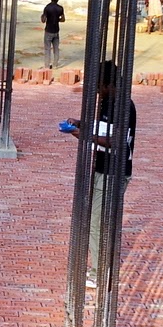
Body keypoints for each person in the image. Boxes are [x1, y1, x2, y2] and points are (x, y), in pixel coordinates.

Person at [59, 61, 137, 285]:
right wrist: (81, 124)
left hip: (114, 171)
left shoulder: (123, 106)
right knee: (97, 219)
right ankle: (102, 267)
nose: (95, 91)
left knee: (97, 222)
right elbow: (103, 128)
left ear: (108, 84)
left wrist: (82, 136)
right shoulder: (107, 101)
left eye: (99, 86)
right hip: (102, 168)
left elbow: (116, 141)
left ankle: (100, 273)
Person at [42, 0, 65, 69]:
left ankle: (47, 66)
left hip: (48, 30)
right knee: (56, 49)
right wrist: (57, 20)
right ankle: (55, 65)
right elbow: (63, 19)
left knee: (47, 49)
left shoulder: (47, 7)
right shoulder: (60, 8)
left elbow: (43, 20)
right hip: (56, 31)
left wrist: (43, 16)